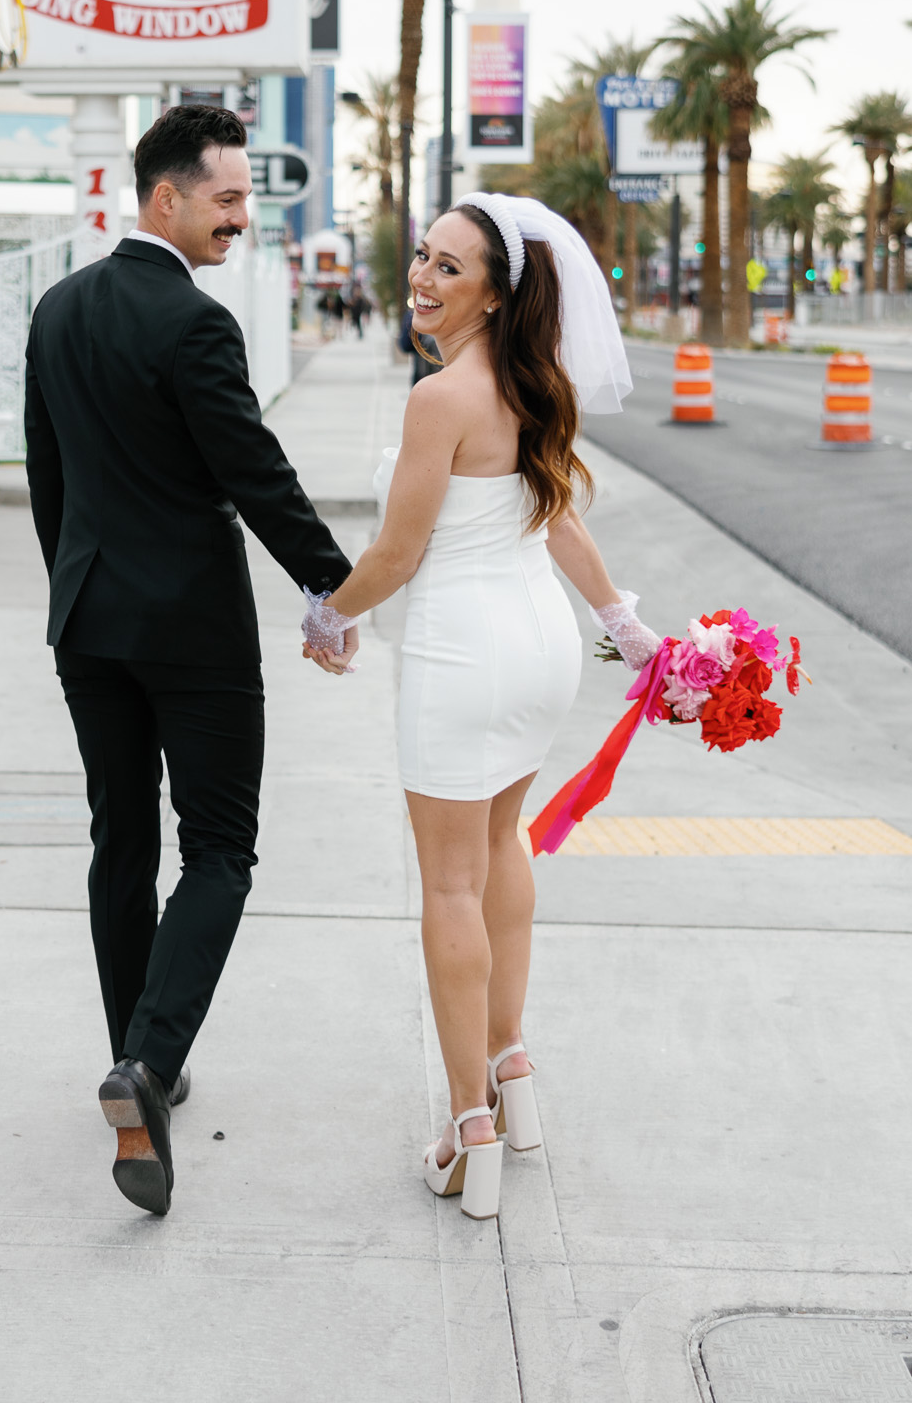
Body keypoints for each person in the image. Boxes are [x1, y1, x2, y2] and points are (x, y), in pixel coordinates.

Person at [301, 192, 660, 1221]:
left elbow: (396, 555)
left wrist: (327, 615)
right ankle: (510, 1065)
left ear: (495, 293)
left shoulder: (440, 397)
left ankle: (467, 1129)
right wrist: (623, 626)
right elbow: (558, 524)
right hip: (540, 648)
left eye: (448, 267)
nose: (421, 276)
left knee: (448, 885)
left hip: (462, 656)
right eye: (421, 255)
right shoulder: (530, 384)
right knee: (502, 846)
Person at [25, 105, 356, 1218]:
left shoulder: (58, 309)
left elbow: (48, 483)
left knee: (120, 837)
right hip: (194, 634)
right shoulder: (194, 323)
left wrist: (76, 582)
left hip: (89, 621)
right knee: (217, 848)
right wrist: (331, 584)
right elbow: (252, 469)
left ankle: (135, 1054)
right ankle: (149, 1064)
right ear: (163, 196)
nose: (241, 219)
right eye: (226, 198)